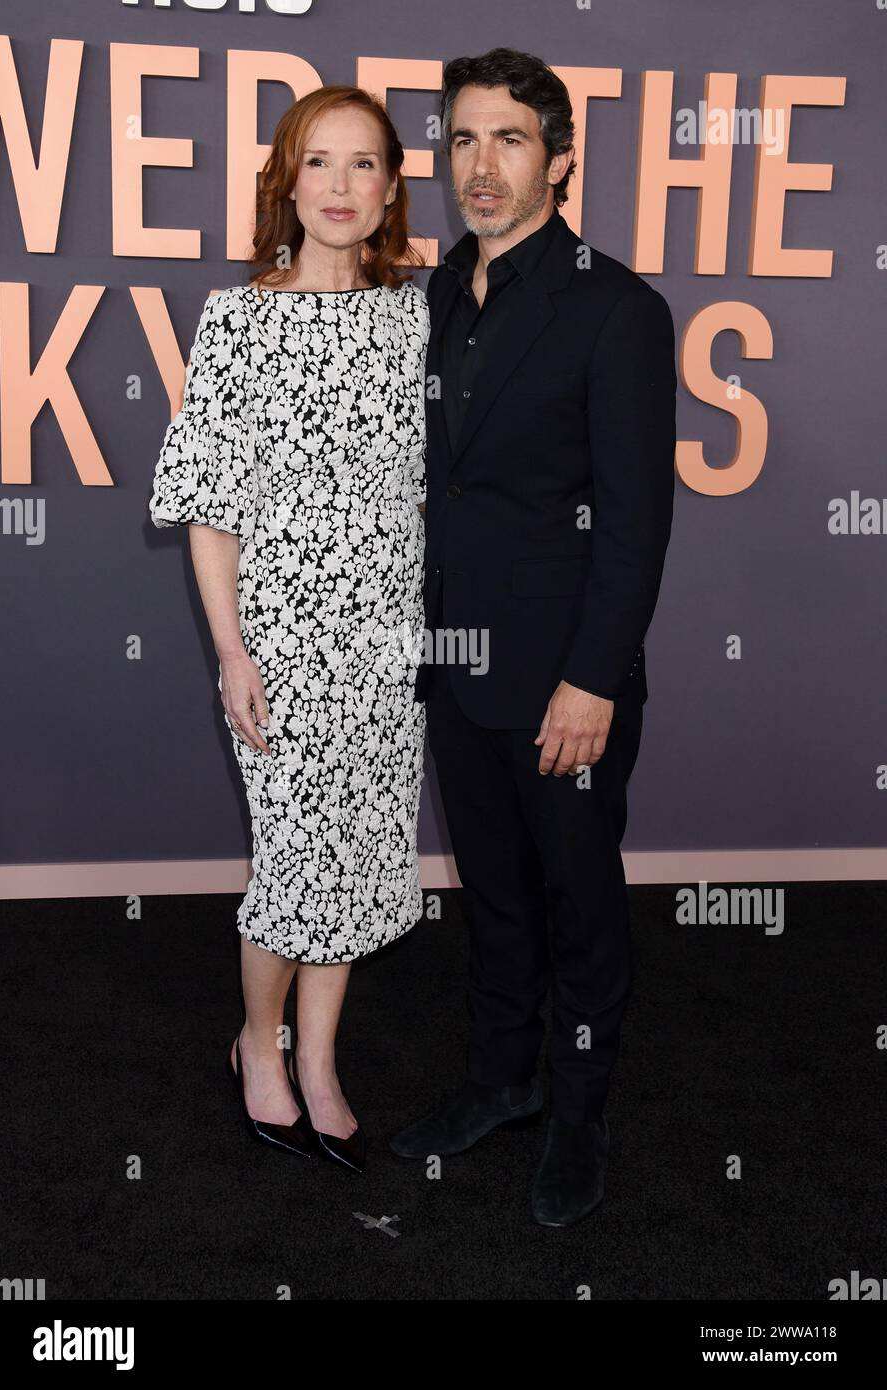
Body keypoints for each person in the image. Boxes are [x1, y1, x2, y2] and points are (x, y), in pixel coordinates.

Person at [389, 48, 677, 1226]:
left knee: (578, 899)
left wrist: (590, 680)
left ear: (561, 158)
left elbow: (633, 525)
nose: (479, 165)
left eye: (507, 139)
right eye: (460, 140)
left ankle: (577, 1108)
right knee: (494, 893)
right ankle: (501, 1081)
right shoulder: (431, 297)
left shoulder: (616, 307)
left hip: (565, 682)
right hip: (454, 671)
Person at [149, 86, 428, 1175]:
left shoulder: (417, 318)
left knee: (356, 857)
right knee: (293, 858)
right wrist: (232, 655)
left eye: (365, 165)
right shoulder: (241, 319)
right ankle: (256, 1047)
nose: (342, 187)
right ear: (287, 180)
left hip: (387, 646)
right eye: (321, 163)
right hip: (278, 645)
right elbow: (210, 510)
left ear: (393, 184)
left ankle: (319, 1064)